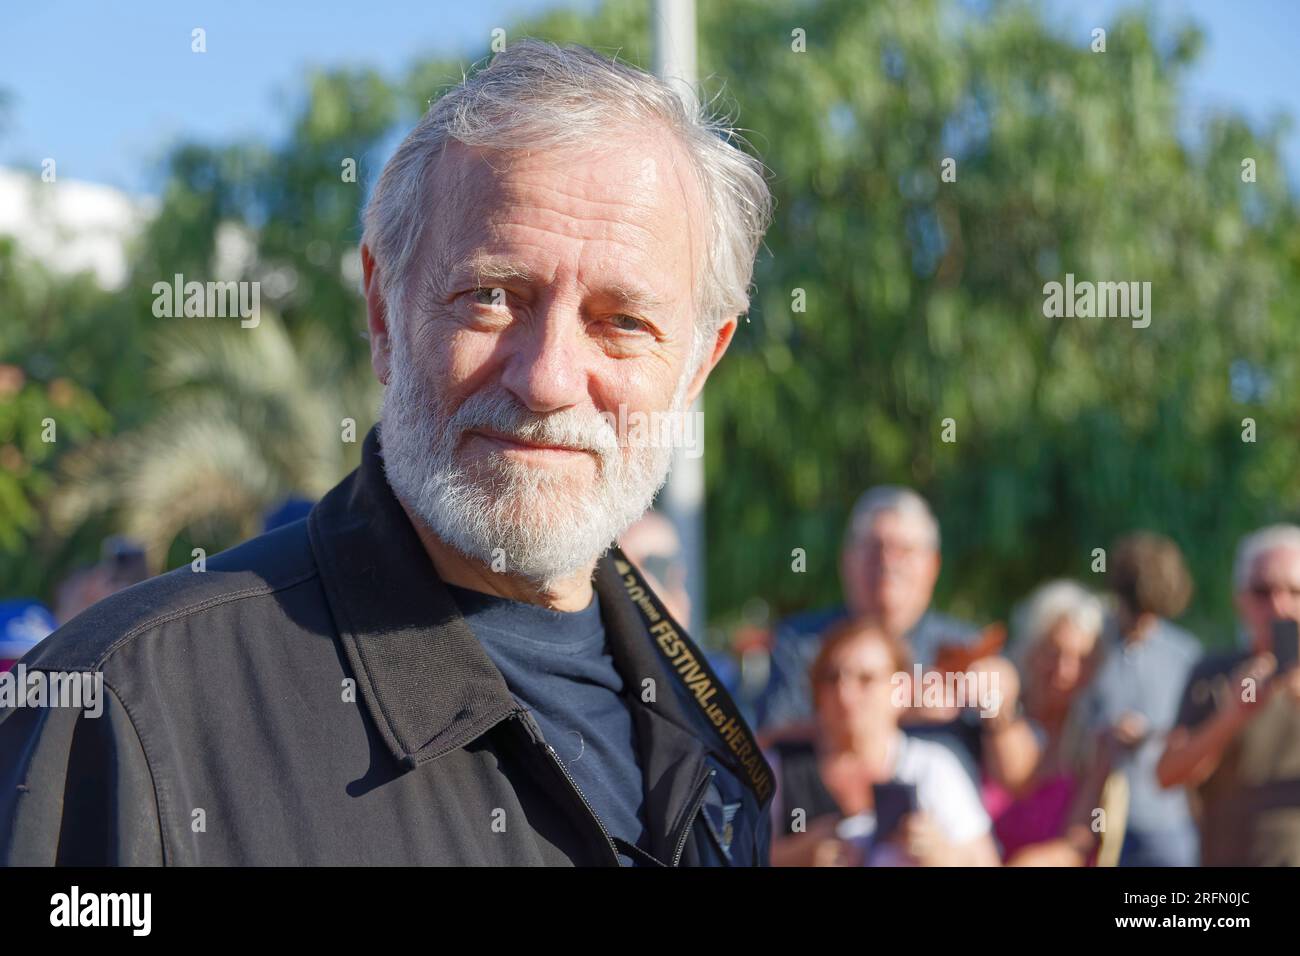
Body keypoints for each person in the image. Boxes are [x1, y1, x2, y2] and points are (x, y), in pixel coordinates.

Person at [0, 41, 775, 866]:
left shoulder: (711, 748)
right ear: (382, 312)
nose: (547, 379)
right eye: (491, 296)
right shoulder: (125, 714)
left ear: (698, 365)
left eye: (622, 322)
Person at [768, 618, 1000, 867]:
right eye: (832, 677)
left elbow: (985, 861)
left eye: (865, 679)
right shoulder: (780, 769)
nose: (845, 694)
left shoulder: (932, 768)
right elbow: (737, 856)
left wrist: (941, 856)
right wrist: (795, 856)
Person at [755, 486, 979, 733]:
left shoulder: (968, 649)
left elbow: (1011, 762)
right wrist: (901, 713)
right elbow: (774, 738)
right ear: (847, 560)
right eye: (874, 548)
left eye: (905, 550)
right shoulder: (800, 644)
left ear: (933, 565)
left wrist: (1003, 712)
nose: (888, 562)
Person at [1158, 524, 1300, 866]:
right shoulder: (1214, 673)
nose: (1279, 606)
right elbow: (1168, 774)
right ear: (1240, 599)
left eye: (1294, 591)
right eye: (1263, 591)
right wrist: (1233, 715)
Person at [1075, 533, 1200, 866]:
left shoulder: (1184, 655)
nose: (1144, 623)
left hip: (1164, 822)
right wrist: (1102, 734)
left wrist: (1150, 734)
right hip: (1089, 814)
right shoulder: (1085, 645)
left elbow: (1194, 740)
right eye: (1138, 610)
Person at [979, 581, 1111, 866]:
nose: (1065, 671)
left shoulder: (1092, 742)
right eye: (1054, 652)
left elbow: (1077, 844)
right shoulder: (995, 712)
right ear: (1031, 649)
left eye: (1081, 659)